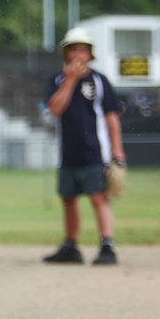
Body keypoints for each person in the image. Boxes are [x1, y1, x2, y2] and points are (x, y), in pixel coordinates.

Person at [41, 26, 125, 265]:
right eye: (74, 50)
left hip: (95, 151)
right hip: (67, 153)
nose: (78, 54)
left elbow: (111, 117)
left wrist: (117, 150)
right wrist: (70, 80)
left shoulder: (99, 81)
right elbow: (55, 109)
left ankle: (107, 245)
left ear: (90, 54)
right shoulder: (57, 79)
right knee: (68, 199)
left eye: (83, 50)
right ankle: (71, 246)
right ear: (66, 53)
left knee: (98, 197)